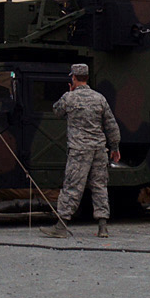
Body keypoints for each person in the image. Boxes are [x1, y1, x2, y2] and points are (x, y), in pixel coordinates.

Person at [40, 63, 121, 239]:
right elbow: (111, 125)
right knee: (99, 186)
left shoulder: (69, 98)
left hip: (79, 150)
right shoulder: (100, 98)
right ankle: (102, 227)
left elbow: (56, 111)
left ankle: (61, 226)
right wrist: (115, 147)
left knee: (72, 186)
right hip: (99, 149)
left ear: (74, 78)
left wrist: (69, 92)